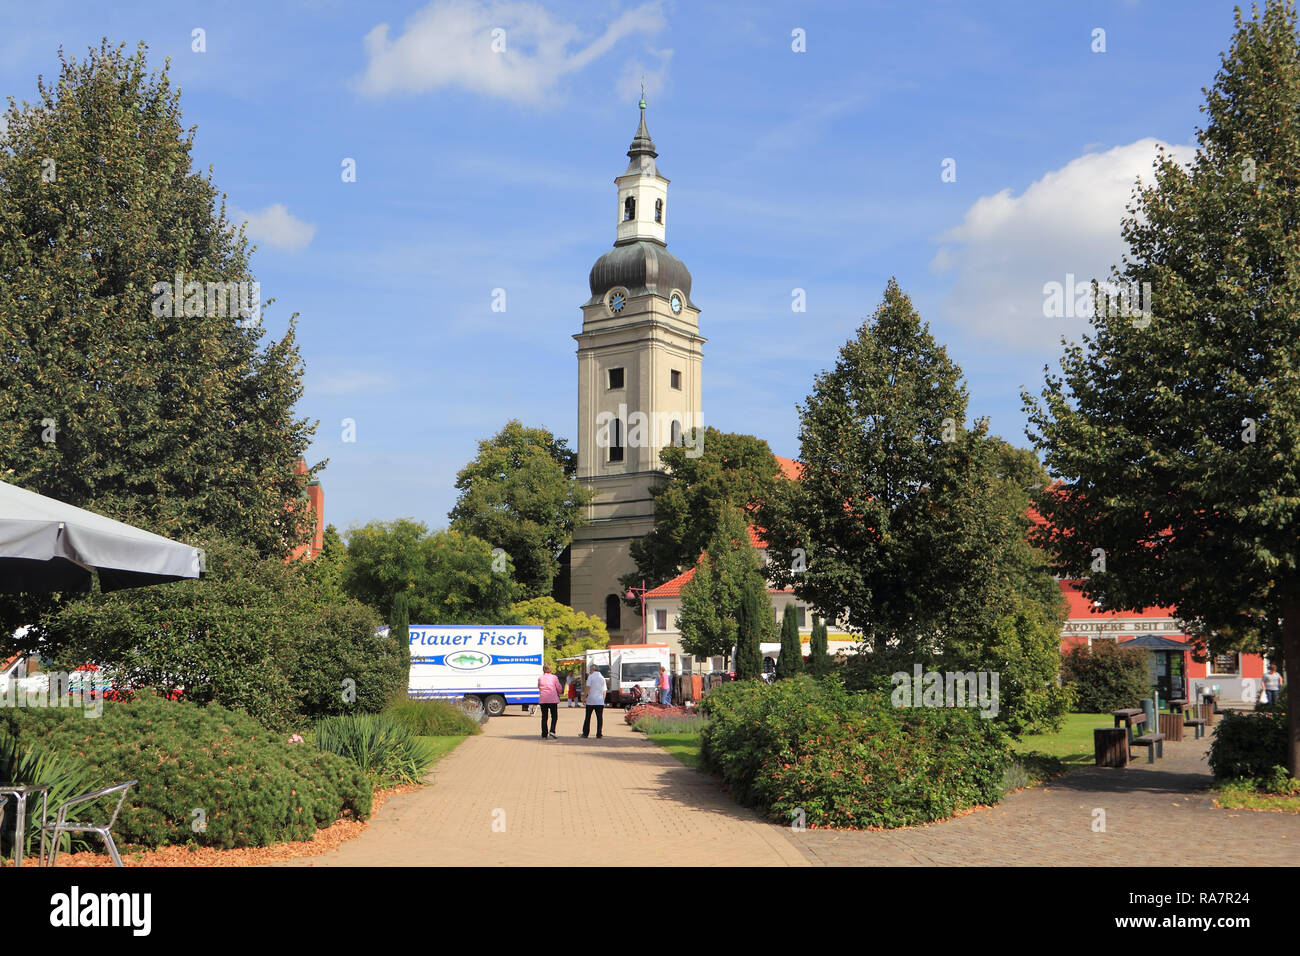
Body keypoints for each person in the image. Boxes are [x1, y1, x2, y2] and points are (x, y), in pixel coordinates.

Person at [537, 664, 562, 739]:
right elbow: (559, 688)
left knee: (544, 717)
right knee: (554, 716)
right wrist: (559, 692)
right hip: (552, 699)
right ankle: (552, 730)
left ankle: (544, 734)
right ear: (551, 669)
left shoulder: (540, 678)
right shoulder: (554, 677)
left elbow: (539, 687)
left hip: (543, 699)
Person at [582, 665, 606, 738]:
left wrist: (584, 697)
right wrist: (603, 700)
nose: (589, 671)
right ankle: (599, 734)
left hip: (591, 701)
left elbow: (588, 687)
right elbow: (604, 690)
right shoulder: (602, 678)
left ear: (593, 670)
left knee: (588, 717)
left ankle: (585, 733)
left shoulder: (591, 677)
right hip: (600, 701)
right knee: (599, 718)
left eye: (590, 670)